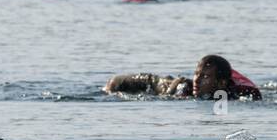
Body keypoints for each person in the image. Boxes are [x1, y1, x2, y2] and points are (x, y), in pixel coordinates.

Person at [104, 54, 262, 100]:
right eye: (196, 74)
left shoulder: (235, 93)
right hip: (167, 85)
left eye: (205, 76)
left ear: (221, 82)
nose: (197, 81)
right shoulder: (184, 89)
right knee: (115, 82)